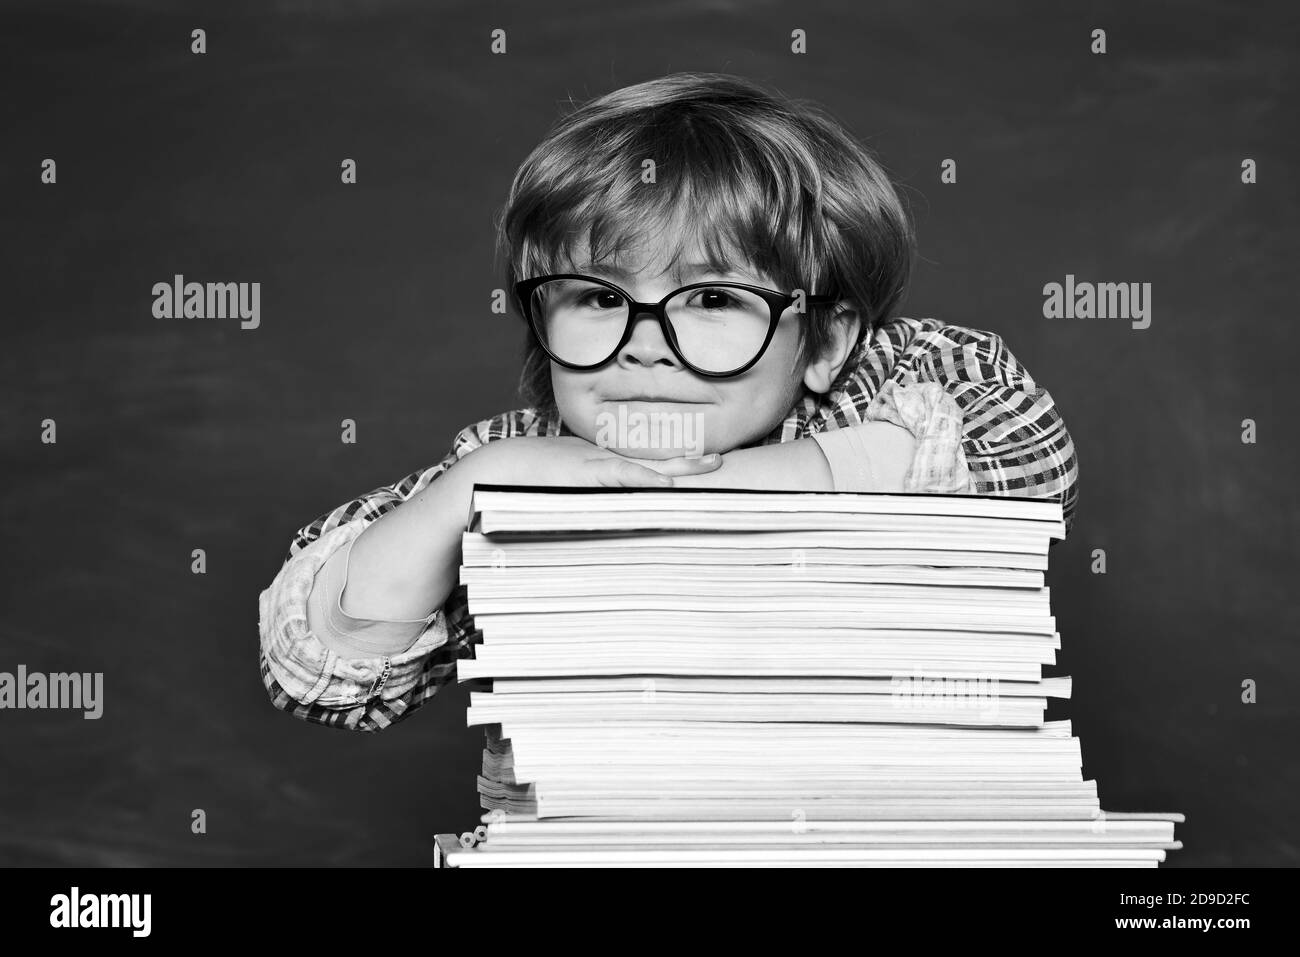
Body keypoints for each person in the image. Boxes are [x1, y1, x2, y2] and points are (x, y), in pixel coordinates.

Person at [258, 72, 1078, 734]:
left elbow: (1030, 454)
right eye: (597, 297)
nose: (644, 342)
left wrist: (708, 483)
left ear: (824, 341)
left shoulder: (886, 387)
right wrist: (475, 485)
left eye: (713, 300)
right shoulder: (524, 462)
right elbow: (317, 671)